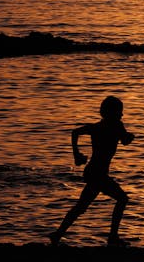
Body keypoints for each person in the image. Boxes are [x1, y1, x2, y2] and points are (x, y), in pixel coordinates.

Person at [49, 95, 135, 246]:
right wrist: (130, 137)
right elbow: (125, 141)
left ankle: (58, 234)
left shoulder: (97, 128)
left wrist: (76, 154)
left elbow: (75, 132)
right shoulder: (115, 126)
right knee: (122, 199)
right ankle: (113, 238)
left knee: (81, 206)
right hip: (98, 174)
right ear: (111, 113)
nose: (122, 114)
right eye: (119, 111)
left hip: (93, 172)